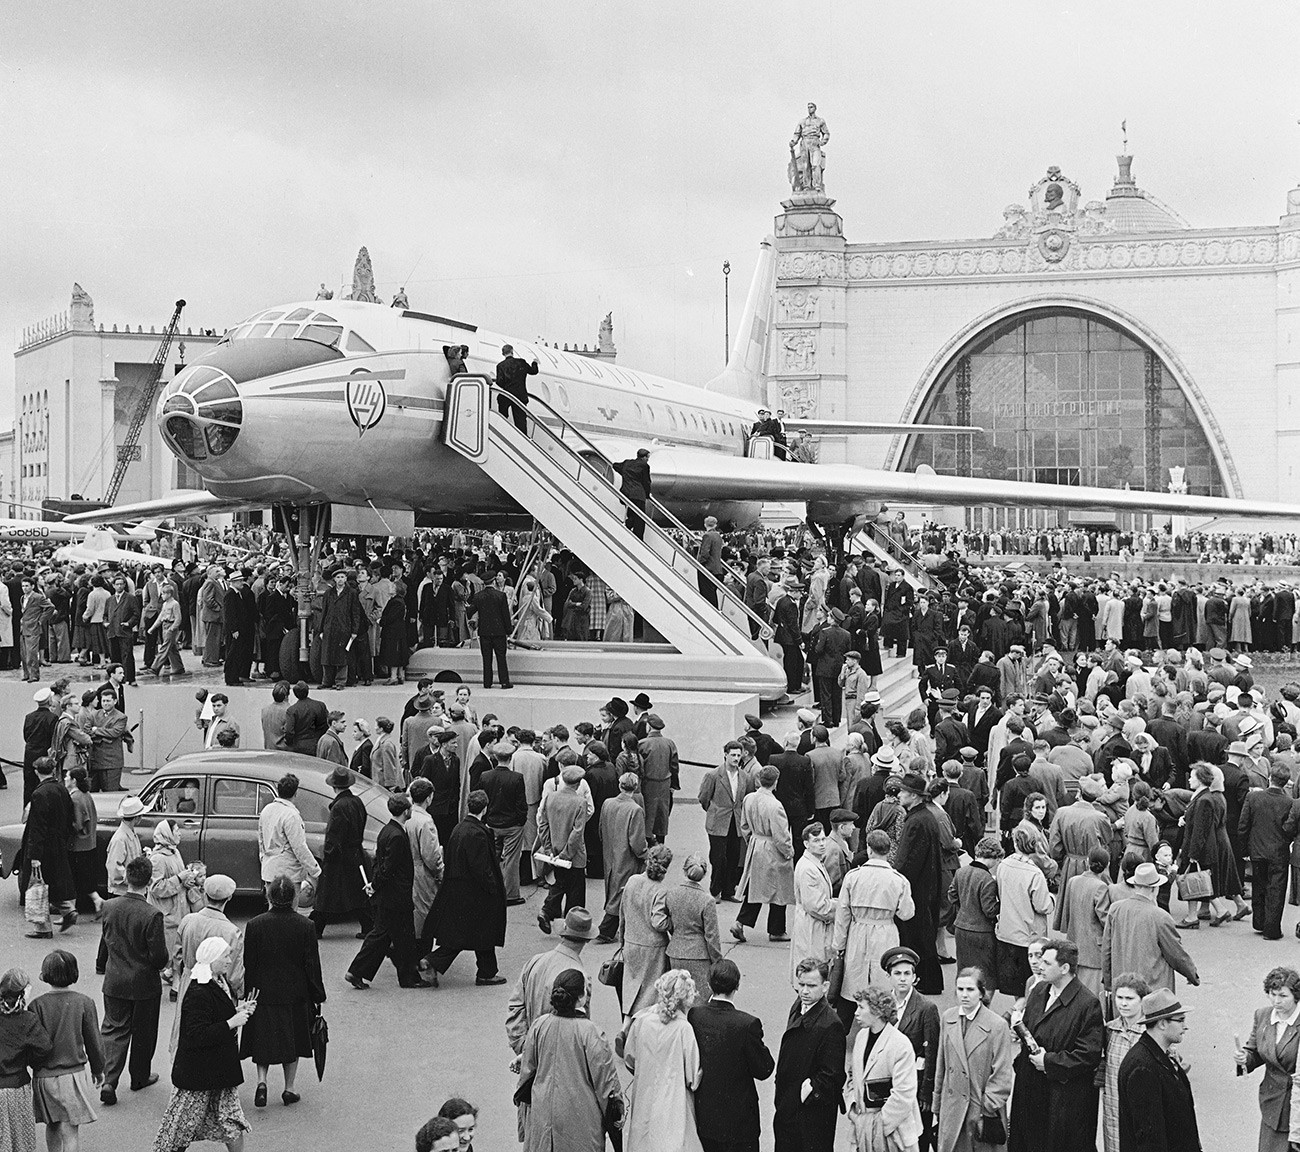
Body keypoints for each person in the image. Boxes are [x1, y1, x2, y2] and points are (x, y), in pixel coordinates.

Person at [152, 937, 253, 1152]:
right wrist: (231, 1022)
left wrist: (237, 1012)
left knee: (232, 1121)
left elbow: (213, 1017)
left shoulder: (217, 982)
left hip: (216, 1070)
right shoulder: (199, 991)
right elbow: (196, 1034)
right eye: (225, 956)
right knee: (180, 1128)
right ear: (212, 959)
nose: (229, 960)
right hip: (199, 1073)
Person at [1007, 940, 1103, 1152]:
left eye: (1046, 962)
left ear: (1065, 968)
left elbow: (1089, 1054)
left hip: (1062, 1101)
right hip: (1031, 1091)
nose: (1039, 966)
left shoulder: (1087, 1004)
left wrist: (1049, 1062)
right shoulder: (1039, 990)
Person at [240, 876, 327, 1107]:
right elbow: (312, 964)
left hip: (263, 991)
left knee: (263, 1038)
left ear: (268, 896)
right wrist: (318, 994)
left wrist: (247, 993)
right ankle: (289, 1087)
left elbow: (250, 962)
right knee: (294, 1038)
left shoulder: (255, 925)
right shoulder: (306, 926)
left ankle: (262, 1082)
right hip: (295, 992)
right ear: (293, 897)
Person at [515, 969, 623, 1152]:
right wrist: (616, 1119)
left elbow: (526, 1075)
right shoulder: (591, 1032)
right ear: (581, 998)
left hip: (543, 1118)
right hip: (581, 1122)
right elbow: (607, 1086)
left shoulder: (540, 1025)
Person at [97, 855, 168, 1106]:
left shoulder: (109, 907)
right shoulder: (152, 914)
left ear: (126, 878)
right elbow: (159, 957)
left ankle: (109, 1080)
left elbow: (106, 941)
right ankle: (139, 1076)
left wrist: (101, 965)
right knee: (144, 1032)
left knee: (114, 1029)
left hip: (115, 979)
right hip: (144, 983)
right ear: (149, 883)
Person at [687, 959, 775, 1152]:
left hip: (707, 1115)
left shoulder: (695, 1015)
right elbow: (764, 1069)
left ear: (709, 985)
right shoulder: (747, 1024)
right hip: (740, 1121)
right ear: (737, 986)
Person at [347, 795, 431, 990]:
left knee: (385, 936)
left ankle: (360, 971)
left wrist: (374, 886)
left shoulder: (387, 831)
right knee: (400, 937)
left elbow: (381, 864)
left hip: (388, 896)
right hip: (397, 896)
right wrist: (375, 885)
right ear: (405, 812)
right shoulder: (397, 836)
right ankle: (408, 977)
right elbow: (388, 868)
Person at [424, 790, 508, 986]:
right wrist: (493, 887)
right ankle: (435, 962)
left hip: (459, 890)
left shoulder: (459, 828)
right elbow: (481, 867)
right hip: (475, 893)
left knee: (466, 935)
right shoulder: (478, 833)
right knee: (474, 934)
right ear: (485, 808)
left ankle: (486, 971)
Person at [832, 830, 915, 1027]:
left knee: (853, 978)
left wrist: (839, 944)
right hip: (885, 930)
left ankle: (841, 1028)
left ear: (869, 849)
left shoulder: (854, 877)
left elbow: (842, 913)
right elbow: (906, 913)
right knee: (882, 979)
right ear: (888, 851)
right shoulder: (898, 880)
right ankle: (882, 1026)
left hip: (858, 929)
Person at [933, 966, 1014, 1152]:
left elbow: (1002, 1074)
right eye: (960, 989)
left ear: (981, 993)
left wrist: (986, 1108)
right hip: (952, 1108)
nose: (964, 995)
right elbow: (942, 1064)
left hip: (980, 1111)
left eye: (970, 990)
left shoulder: (997, 1025)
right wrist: (938, 1104)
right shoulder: (948, 1018)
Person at [623, 969, 704, 1152]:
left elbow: (630, 1058)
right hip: (674, 1102)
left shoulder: (642, 1021)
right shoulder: (684, 1029)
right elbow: (692, 1077)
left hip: (645, 1095)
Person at [29, 949, 102, 1152]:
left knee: (52, 1124)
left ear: (45, 974)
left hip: (44, 1076)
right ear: (74, 973)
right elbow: (94, 1041)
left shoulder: (36, 1005)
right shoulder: (84, 1002)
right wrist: (98, 1069)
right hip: (73, 1075)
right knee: (71, 1130)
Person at [774, 958, 846, 1152]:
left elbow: (830, 1075)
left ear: (825, 987)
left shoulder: (831, 1024)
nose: (804, 991)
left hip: (810, 1115)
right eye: (801, 985)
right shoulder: (799, 1006)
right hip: (789, 1106)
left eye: (811, 986)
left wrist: (803, 1095)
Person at [1117, 988, 1201, 1152]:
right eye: (1181, 1020)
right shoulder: (1142, 1067)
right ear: (1162, 1023)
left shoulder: (1159, 1056)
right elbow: (1150, 1139)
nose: (1185, 1026)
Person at [506, 908, 595, 1056]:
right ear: (587, 939)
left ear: (562, 933)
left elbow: (515, 1005)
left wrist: (523, 1046)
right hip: (558, 1055)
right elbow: (580, 1027)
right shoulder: (580, 977)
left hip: (530, 1047)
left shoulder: (535, 961)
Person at [843, 985, 921, 1152]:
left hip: (894, 1134)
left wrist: (873, 1126)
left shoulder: (900, 1045)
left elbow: (903, 1096)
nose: (856, 1012)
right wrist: (852, 1111)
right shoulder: (861, 1036)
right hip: (861, 1130)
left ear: (877, 1012)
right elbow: (852, 1076)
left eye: (861, 1007)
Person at [1100, 862, 1198, 996]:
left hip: (1123, 990)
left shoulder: (1115, 909)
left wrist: (1108, 983)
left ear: (1135, 885)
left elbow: (1107, 950)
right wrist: (1191, 974)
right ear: (1155, 888)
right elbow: (1176, 953)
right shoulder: (1160, 917)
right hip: (1152, 990)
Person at [879, 946, 940, 1152]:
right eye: (897, 974)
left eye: (907, 974)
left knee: (914, 1139)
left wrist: (926, 1094)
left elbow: (932, 1054)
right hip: (885, 1083)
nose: (902, 979)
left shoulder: (926, 1008)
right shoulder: (881, 1004)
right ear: (889, 976)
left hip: (914, 1085)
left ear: (915, 978)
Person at [1235, 965, 1300, 1152]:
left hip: (1297, 1105)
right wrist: (1244, 1058)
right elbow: (1254, 1052)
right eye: (1272, 994)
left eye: (1283, 996)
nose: (1276, 1001)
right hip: (1272, 1104)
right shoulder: (1262, 1015)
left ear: (1296, 996)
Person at [893, 772, 945, 995]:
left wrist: (895, 883)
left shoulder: (915, 821)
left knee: (917, 936)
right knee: (925, 934)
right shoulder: (926, 816)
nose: (899, 795)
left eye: (903, 791)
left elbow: (906, 861)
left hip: (917, 889)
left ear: (914, 796)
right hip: (929, 885)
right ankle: (929, 979)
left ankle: (927, 980)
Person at [731, 765, 794, 944]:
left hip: (756, 844)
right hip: (772, 847)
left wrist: (752, 840)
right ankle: (777, 929)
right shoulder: (775, 806)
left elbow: (744, 826)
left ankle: (740, 921)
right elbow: (781, 835)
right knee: (779, 889)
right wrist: (789, 851)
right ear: (776, 782)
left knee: (755, 887)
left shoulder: (749, 799)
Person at [310, 765, 373, 940]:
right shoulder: (357, 802)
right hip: (355, 853)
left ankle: (316, 929)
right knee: (359, 893)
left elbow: (333, 835)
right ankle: (368, 927)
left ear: (334, 786)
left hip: (339, 857)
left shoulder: (338, 807)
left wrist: (328, 856)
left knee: (325, 896)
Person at [20, 756, 77, 938]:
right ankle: (68, 910)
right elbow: (70, 818)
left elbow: (37, 827)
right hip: (58, 843)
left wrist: (34, 855)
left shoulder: (39, 794)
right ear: (53, 770)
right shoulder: (61, 789)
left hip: (43, 847)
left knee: (38, 885)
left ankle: (42, 928)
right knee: (55, 882)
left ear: (37, 771)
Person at [0, 966, 53, 1152]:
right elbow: (45, 1047)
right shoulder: (27, 1020)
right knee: (20, 1141)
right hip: (16, 1088)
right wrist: (30, 1059)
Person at [1239, 762, 1294, 940]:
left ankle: (1260, 922)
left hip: (1257, 849)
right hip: (1279, 850)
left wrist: (1244, 848)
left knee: (1259, 885)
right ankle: (1272, 928)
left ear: (1270, 777)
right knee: (1276, 890)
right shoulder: (1289, 802)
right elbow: (1290, 827)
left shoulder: (1253, 798)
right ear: (1286, 782)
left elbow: (1243, 825)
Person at [147, 821, 201, 1001]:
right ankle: (175, 984)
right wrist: (180, 879)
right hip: (167, 913)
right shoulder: (158, 859)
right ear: (167, 834)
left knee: (179, 949)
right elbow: (157, 888)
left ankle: (173, 977)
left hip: (180, 908)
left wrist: (188, 879)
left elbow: (179, 877)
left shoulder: (174, 852)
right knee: (171, 950)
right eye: (176, 831)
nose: (179, 834)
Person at [619, 843, 673, 1019]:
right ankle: (639, 1027)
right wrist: (671, 923)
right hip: (653, 947)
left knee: (631, 989)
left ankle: (626, 1024)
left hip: (631, 941)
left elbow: (623, 914)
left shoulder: (632, 881)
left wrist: (622, 941)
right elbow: (658, 922)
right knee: (650, 993)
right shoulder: (660, 890)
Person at [1098, 973, 1150, 1152]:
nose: (1123, 1003)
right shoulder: (1110, 1030)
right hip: (1114, 1109)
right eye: (1119, 997)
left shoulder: (1151, 1032)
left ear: (1142, 1000)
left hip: (1143, 1109)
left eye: (1130, 998)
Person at [536, 764, 590, 932]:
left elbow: (543, 825)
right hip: (574, 856)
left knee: (559, 884)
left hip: (554, 850)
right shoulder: (580, 802)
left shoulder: (550, 797)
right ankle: (571, 927)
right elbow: (577, 833)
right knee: (575, 893)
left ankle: (547, 911)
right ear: (579, 783)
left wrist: (549, 848)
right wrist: (567, 854)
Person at [698, 742, 754, 903]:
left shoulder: (745, 776)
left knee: (733, 857)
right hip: (718, 823)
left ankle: (728, 891)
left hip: (735, 822)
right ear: (725, 755)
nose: (736, 758)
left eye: (739, 755)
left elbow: (747, 798)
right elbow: (703, 798)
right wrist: (714, 811)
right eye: (733, 755)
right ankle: (715, 890)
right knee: (718, 858)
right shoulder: (714, 775)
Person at [664, 854, 723, 1004]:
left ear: (684, 871)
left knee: (678, 997)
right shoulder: (707, 900)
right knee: (698, 1000)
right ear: (704, 875)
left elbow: (669, 923)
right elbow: (712, 936)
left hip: (676, 950)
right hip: (699, 954)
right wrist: (717, 961)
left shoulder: (671, 894)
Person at [257, 773, 321, 904]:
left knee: (272, 908)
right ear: (296, 793)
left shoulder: (266, 810)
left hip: (269, 869)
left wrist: (263, 859)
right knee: (290, 910)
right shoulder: (291, 815)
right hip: (289, 872)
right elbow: (299, 847)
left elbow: (261, 840)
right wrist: (315, 870)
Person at [1055, 846, 1111, 997]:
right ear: (1106, 866)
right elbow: (1106, 920)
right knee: (1091, 995)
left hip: (1074, 942)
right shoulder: (1101, 887)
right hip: (1093, 950)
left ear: (1087, 861)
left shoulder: (1073, 881)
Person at [598, 772, 647, 942]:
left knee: (612, 888)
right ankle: (606, 930)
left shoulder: (607, 804)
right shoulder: (635, 810)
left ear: (620, 786)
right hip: (627, 857)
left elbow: (601, 829)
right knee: (621, 892)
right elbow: (637, 842)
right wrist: (645, 855)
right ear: (635, 787)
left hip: (609, 853)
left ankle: (615, 928)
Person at [791, 823, 836, 983]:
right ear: (806, 844)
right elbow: (816, 906)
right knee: (812, 973)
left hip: (815, 927)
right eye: (816, 841)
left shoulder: (815, 862)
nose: (822, 844)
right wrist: (839, 905)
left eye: (823, 839)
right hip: (812, 928)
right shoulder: (808, 868)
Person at [407, 777, 445, 945]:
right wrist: (440, 871)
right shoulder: (425, 821)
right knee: (425, 913)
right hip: (422, 873)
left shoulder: (407, 815)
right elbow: (431, 856)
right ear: (429, 797)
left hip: (408, 869)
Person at [468, 571, 513, 689]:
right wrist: (509, 630)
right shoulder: (501, 595)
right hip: (499, 631)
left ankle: (487, 682)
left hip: (484, 632)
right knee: (501, 657)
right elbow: (505, 615)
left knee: (486, 658)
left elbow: (470, 611)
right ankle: (504, 682)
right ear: (493, 581)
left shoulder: (478, 596)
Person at [23, 688, 60, 803]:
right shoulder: (52, 717)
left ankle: (27, 810)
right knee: (45, 784)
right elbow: (53, 738)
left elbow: (26, 735)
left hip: (29, 754)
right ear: (49, 700)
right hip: (44, 753)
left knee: (29, 784)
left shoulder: (29, 717)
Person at [105, 797, 147, 897]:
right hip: (121, 893)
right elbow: (115, 870)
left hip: (129, 891)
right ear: (137, 818)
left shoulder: (130, 833)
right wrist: (135, 880)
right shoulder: (119, 839)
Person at [495, 343, 539, 434]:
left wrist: (507, 387)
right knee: (520, 421)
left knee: (502, 415)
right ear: (512, 352)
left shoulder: (500, 366)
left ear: (503, 353)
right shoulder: (521, 362)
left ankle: (503, 431)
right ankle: (522, 439)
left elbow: (499, 382)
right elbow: (533, 371)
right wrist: (534, 362)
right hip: (520, 395)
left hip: (507, 395)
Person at [613, 448, 653, 539]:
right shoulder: (644, 466)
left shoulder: (627, 463)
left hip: (625, 494)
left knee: (631, 514)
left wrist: (625, 473)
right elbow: (646, 482)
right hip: (638, 495)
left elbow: (615, 466)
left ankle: (627, 525)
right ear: (644, 457)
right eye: (647, 457)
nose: (648, 459)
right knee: (640, 520)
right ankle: (637, 539)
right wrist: (647, 495)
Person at [282, 681, 329, 758]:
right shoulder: (320, 705)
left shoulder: (292, 710)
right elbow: (326, 724)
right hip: (318, 744)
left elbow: (289, 731)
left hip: (299, 747)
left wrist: (289, 743)